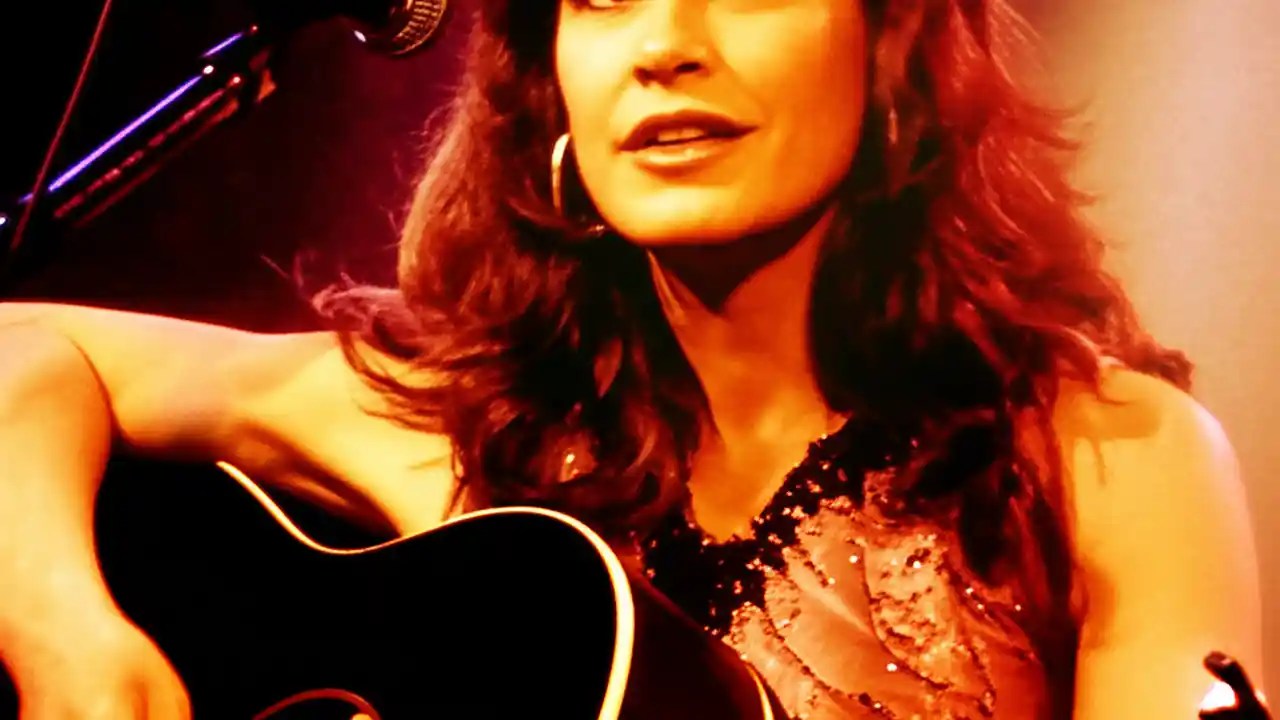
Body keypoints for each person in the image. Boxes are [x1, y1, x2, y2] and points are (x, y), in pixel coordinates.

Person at [0, 0, 1264, 717]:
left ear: (892, 51)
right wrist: (64, 633)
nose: (664, 42)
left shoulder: (1099, 456)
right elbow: (21, 348)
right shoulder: (464, 417)